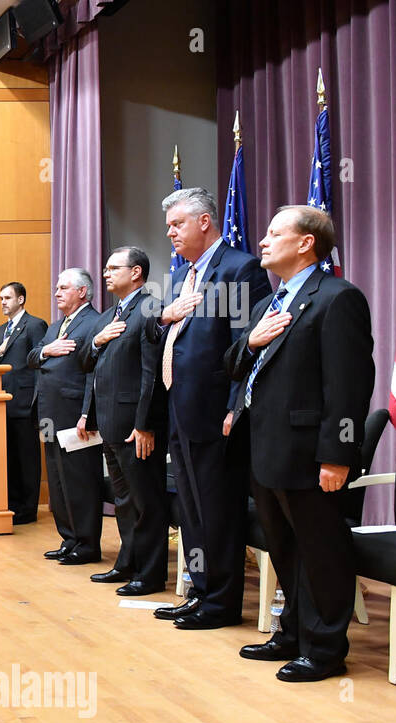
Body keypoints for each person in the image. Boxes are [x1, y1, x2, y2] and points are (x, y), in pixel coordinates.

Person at [226, 207, 373, 681]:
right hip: (265, 447)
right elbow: (232, 362)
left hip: (310, 454)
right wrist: (251, 341)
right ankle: (292, 632)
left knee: (320, 550)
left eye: (274, 233)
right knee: (283, 548)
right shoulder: (269, 303)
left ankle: (326, 649)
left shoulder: (337, 298)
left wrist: (337, 455)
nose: (263, 242)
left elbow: (348, 385)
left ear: (306, 243)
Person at [148, 186, 271, 629]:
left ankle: (220, 603)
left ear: (204, 221)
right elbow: (168, 336)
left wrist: (235, 407)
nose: (170, 234)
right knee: (191, 509)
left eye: (177, 224)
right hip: (181, 407)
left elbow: (248, 345)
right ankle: (200, 592)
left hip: (216, 411)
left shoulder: (240, 268)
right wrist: (162, 317)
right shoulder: (182, 276)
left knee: (217, 509)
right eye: (168, 227)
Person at [78, 247, 169, 595]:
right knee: (124, 501)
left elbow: (152, 373)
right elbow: (86, 364)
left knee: (147, 502)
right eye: (105, 268)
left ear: (136, 273)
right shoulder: (105, 318)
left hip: (136, 426)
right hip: (111, 424)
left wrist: (145, 423)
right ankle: (127, 563)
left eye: (114, 268)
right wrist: (97, 342)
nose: (105, 273)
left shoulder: (150, 308)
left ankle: (150, 573)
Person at [27, 268, 103, 565]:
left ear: (82, 291)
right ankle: (69, 538)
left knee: (79, 480)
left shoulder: (95, 322)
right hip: (48, 413)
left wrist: (87, 413)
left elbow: (92, 374)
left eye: (63, 288)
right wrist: (49, 349)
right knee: (57, 481)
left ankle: (87, 544)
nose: (56, 292)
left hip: (74, 414)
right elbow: (33, 358)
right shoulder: (54, 327)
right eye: (56, 287)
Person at [0, 281, 47, 523]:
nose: (3, 303)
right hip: (0, 403)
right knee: (9, 457)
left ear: (21, 299)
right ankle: (12, 504)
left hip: (25, 402)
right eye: (0, 299)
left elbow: (40, 361)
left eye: (7, 298)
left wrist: (38, 400)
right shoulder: (0, 331)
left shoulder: (35, 325)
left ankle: (28, 509)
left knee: (26, 457)